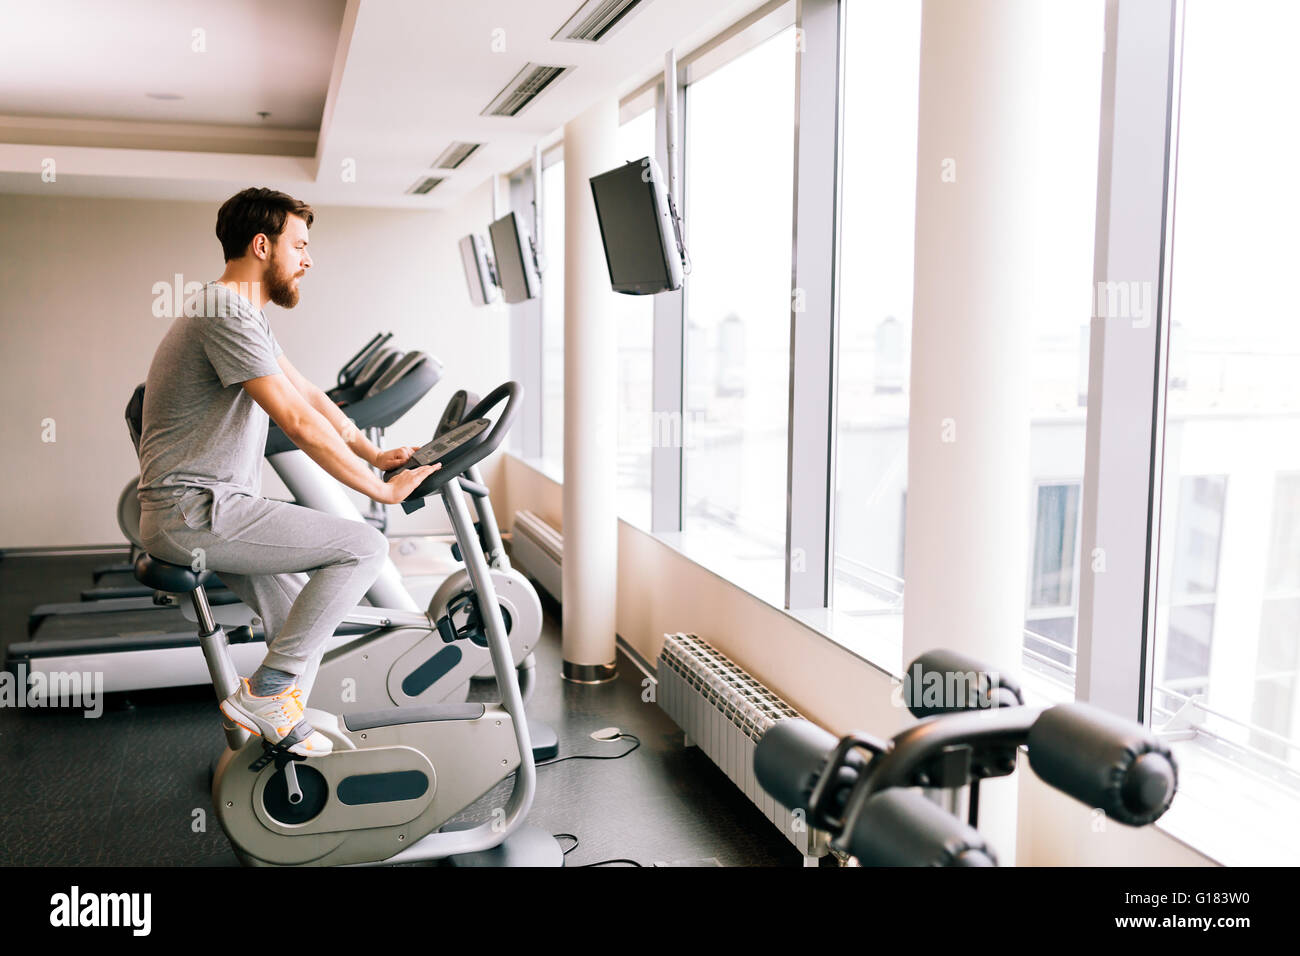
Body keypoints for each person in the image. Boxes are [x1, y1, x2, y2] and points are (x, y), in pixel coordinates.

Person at [136, 187, 437, 756]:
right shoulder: (223, 310)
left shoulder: (238, 311)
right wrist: (380, 492)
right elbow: (296, 420)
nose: (308, 258)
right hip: (197, 511)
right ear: (261, 245)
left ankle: (278, 729)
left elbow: (310, 395)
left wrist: (374, 456)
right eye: (298, 245)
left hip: (202, 509)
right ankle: (269, 692)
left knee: (298, 610)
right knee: (363, 548)